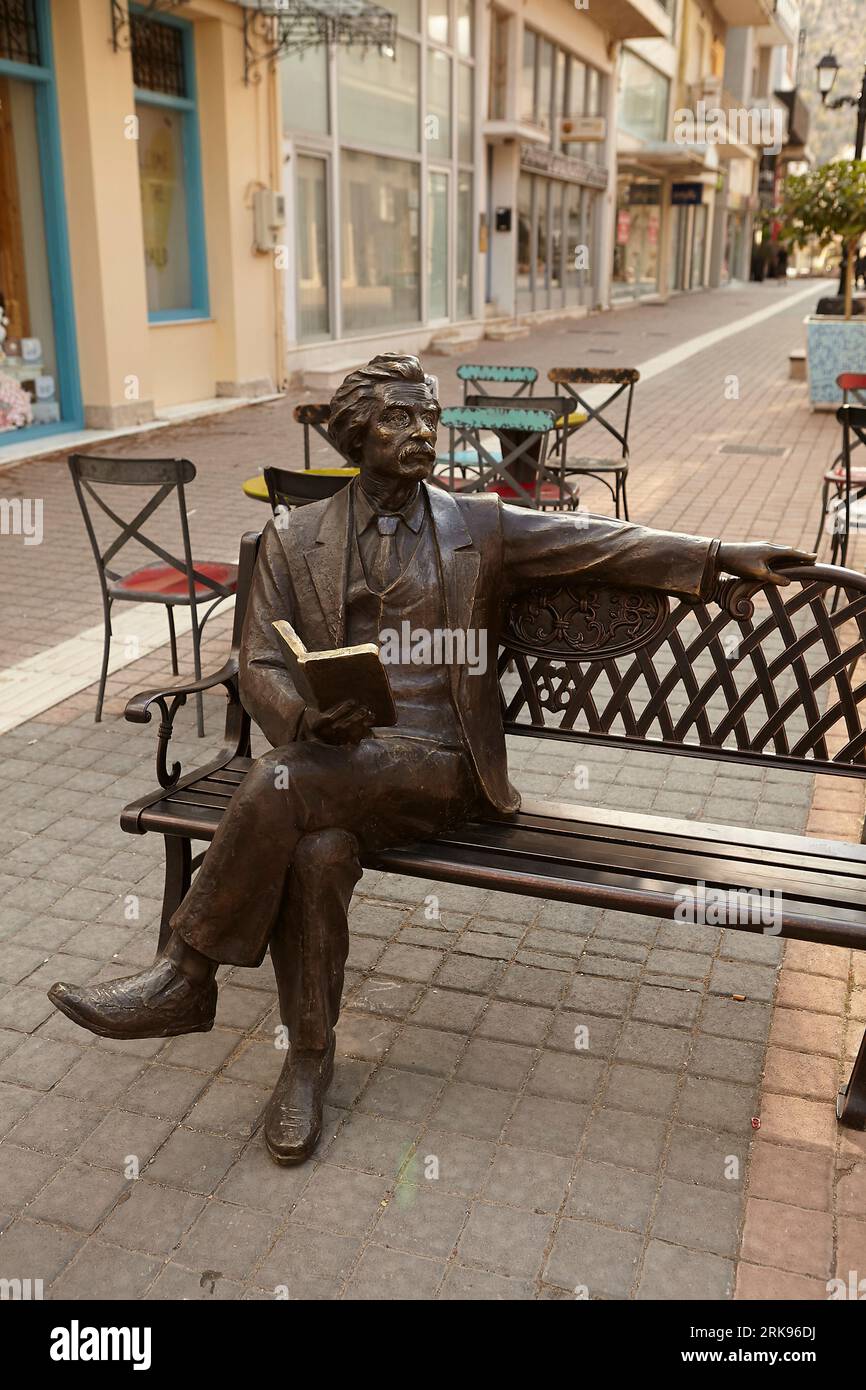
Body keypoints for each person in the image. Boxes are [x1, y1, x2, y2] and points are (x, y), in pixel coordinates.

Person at [48, 354, 812, 1164]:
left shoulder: (479, 525)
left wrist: (719, 554)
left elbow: (599, 542)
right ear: (354, 434)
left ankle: (186, 972)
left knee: (282, 781)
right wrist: (306, 715)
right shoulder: (294, 536)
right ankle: (306, 1062)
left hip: (443, 768)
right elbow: (260, 663)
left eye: (428, 419)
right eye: (396, 420)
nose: (420, 434)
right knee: (316, 850)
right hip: (340, 771)